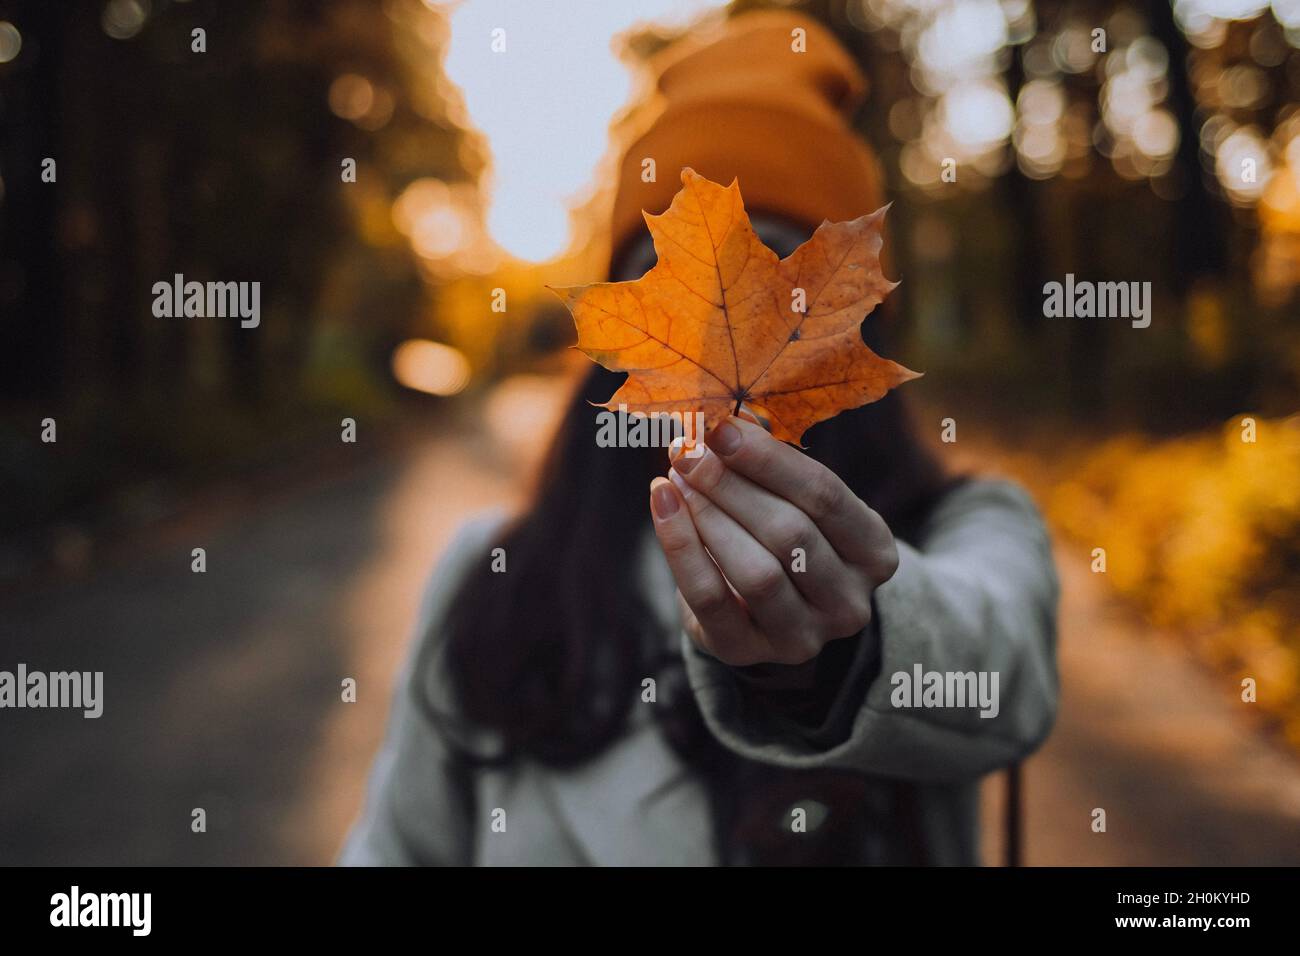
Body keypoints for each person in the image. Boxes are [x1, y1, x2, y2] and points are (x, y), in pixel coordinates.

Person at [340, 10, 1058, 866]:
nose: (730, 343)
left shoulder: (974, 526)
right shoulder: (492, 581)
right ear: (619, 336)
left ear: (862, 327)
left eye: (783, 271)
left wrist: (841, 654)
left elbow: (1001, 671)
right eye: (665, 279)